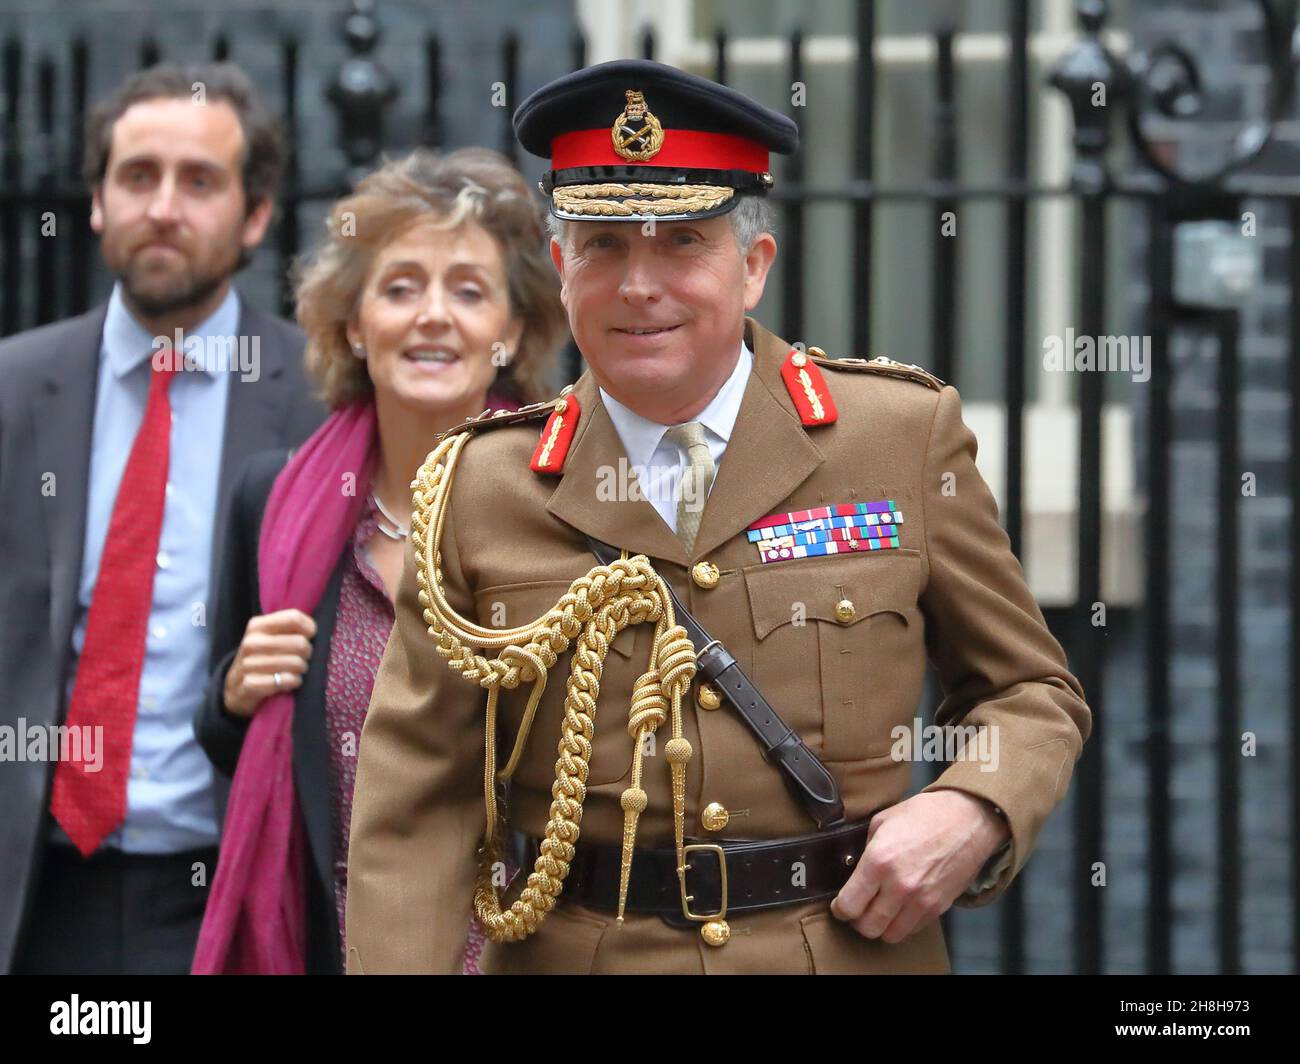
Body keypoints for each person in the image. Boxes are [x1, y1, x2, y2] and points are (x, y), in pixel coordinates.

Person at [343, 60, 1092, 975]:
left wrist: (973, 806)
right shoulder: (480, 485)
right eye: (603, 246)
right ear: (560, 265)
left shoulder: (897, 440)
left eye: (682, 242)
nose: (638, 285)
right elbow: (417, 807)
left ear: (753, 266)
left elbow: (1030, 693)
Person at [191, 147, 568, 975]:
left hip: (528, 953)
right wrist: (232, 690)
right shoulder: (272, 500)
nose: (433, 315)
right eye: (401, 288)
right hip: (339, 951)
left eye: (469, 292)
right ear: (355, 325)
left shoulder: (569, 505)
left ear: (510, 332)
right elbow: (229, 738)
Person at [0, 62, 325, 975]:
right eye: (138, 176)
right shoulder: (15, 390)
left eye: (201, 181)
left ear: (255, 216)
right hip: (34, 896)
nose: (165, 208)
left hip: (225, 891)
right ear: (97, 203)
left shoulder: (318, 403)